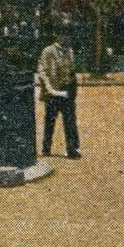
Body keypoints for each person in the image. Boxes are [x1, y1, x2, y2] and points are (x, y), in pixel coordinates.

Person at [36, 30, 80, 159]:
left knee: (70, 120)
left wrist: (72, 89)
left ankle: (71, 149)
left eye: (68, 36)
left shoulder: (70, 51)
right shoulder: (48, 51)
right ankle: (46, 147)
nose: (67, 38)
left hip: (66, 90)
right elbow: (42, 70)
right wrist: (48, 87)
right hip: (53, 91)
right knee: (50, 120)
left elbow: (72, 70)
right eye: (64, 35)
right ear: (58, 36)